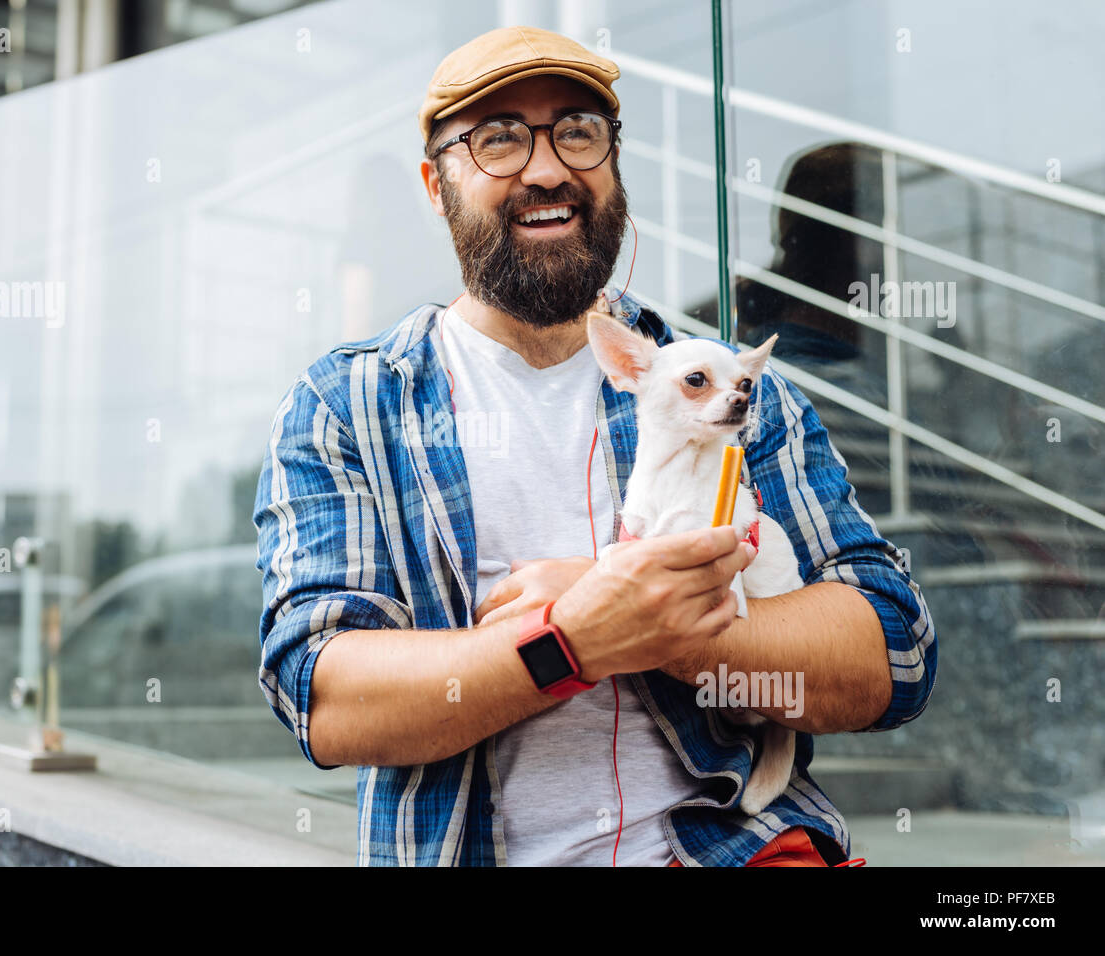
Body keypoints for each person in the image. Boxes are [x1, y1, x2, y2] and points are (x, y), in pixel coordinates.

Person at [252, 25, 937, 866]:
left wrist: (653, 621)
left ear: (612, 166)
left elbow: (891, 656)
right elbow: (325, 700)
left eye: (578, 131)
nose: (547, 168)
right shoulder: (347, 407)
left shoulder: (722, 392)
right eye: (498, 137)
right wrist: (567, 641)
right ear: (437, 185)